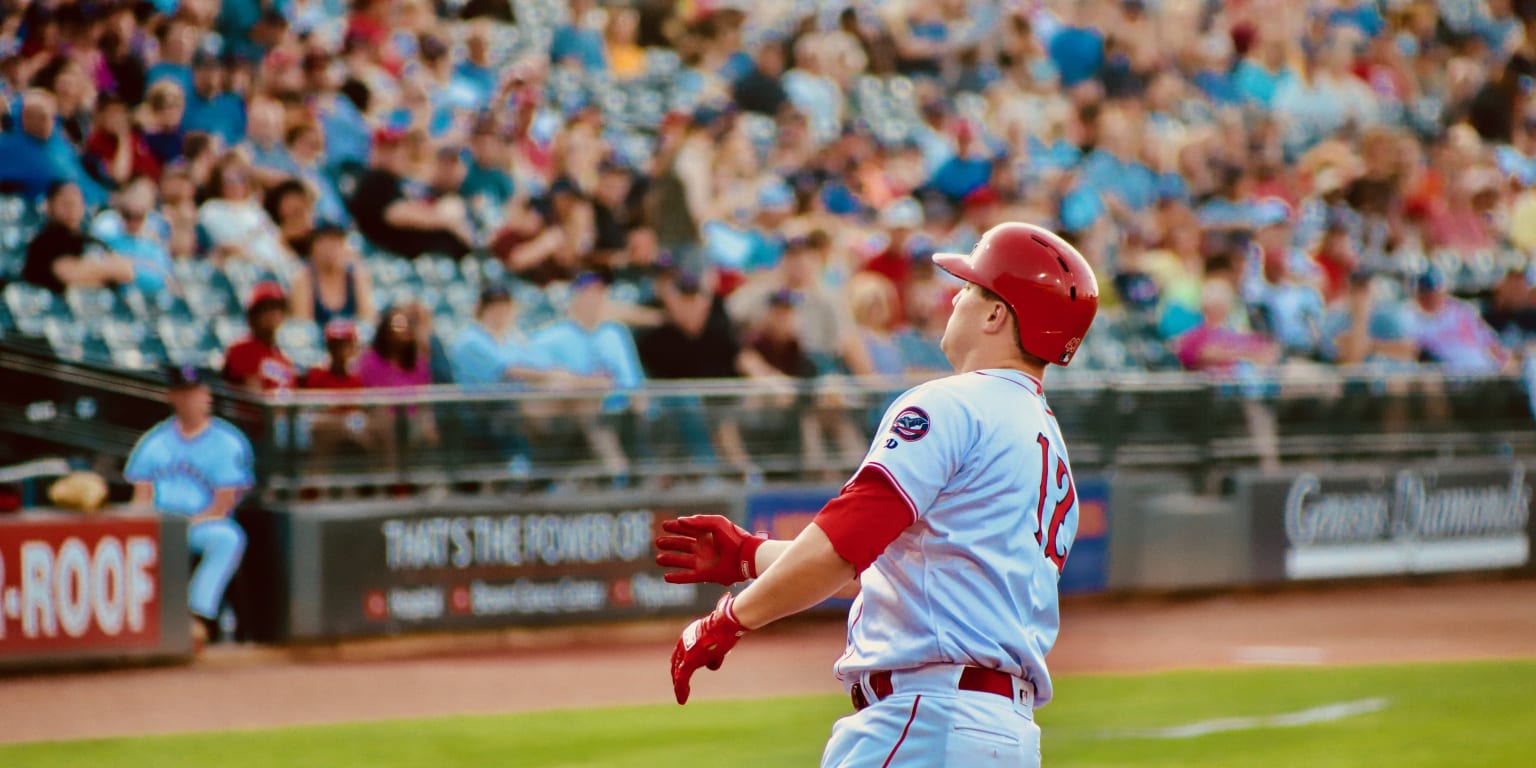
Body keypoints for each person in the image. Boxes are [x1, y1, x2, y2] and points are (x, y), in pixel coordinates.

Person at [656, 223, 1099, 768]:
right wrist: (751, 555)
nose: (954, 296)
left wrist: (726, 619)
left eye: (969, 287)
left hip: (926, 720)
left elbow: (843, 546)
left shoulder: (952, 404)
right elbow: (889, 569)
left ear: (995, 315)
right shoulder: (1045, 440)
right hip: (1003, 733)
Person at [125, 365, 253, 646]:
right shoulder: (154, 441)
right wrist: (143, 524)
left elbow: (223, 504)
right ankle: (132, 624)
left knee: (228, 537)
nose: (192, 399)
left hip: (202, 525)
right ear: (171, 396)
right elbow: (141, 497)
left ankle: (195, 614)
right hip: (157, 523)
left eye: (196, 392)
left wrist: (183, 525)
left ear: (207, 395)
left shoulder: (227, 442)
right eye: (184, 393)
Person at [348, 127, 473, 258]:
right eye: (390, 149)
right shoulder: (377, 178)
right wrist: (446, 220)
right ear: (377, 152)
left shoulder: (394, 180)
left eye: (400, 148)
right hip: (387, 256)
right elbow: (396, 214)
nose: (399, 154)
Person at [22, 181, 136, 295]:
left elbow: (126, 271)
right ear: (50, 205)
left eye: (76, 203)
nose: (71, 209)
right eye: (66, 203)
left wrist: (85, 268)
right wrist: (105, 271)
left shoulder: (92, 240)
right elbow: (67, 274)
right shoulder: (43, 242)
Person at [287, 224, 376, 326]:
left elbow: (368, 320)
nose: (331, 248)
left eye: (337, 241)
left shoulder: (356, 274)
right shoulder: (303, 277)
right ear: (313, 245)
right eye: (325, 241)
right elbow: (303, 325)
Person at [222, 281, 297, 393]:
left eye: (277, 308)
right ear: (252, 316)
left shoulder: (284, 359)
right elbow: (252, 398)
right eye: (265, 308)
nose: (273, 314)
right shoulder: (242, 350)